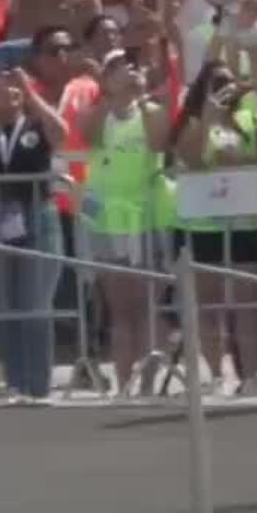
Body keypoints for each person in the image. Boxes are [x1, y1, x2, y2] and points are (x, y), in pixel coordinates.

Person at [171, 59, 257, 396]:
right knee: (210, 303)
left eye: (229, 81)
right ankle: (218, 374)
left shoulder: (250, 119)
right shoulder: (192, 122)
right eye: (217, 82)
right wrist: (208, 118)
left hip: (245, 220)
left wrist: (242, 160)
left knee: (247, 301)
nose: (225, 88)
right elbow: (193, 160)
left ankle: (249, 375)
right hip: (204, 225)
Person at [0, 33, 70, 400]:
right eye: (2, 80)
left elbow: (60, 133)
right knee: (5, 305)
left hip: (36, 216)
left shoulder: (34, 126)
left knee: (34, 304)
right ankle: (14, 381)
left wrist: (31, 96)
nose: (9, 87)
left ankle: (38, 384)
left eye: (15, 79)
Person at [77, 49, 168, 397]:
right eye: (117, 67)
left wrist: (141, 96)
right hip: (108, 220)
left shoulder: (153, 112)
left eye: (132, 66)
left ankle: (148, 380)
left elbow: (160, 141)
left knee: (148, 302)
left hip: (146, 217)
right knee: (120, 305)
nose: (128, 71)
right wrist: (110, 94)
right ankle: (124, 381)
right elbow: (90, 135)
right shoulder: (99, 114)